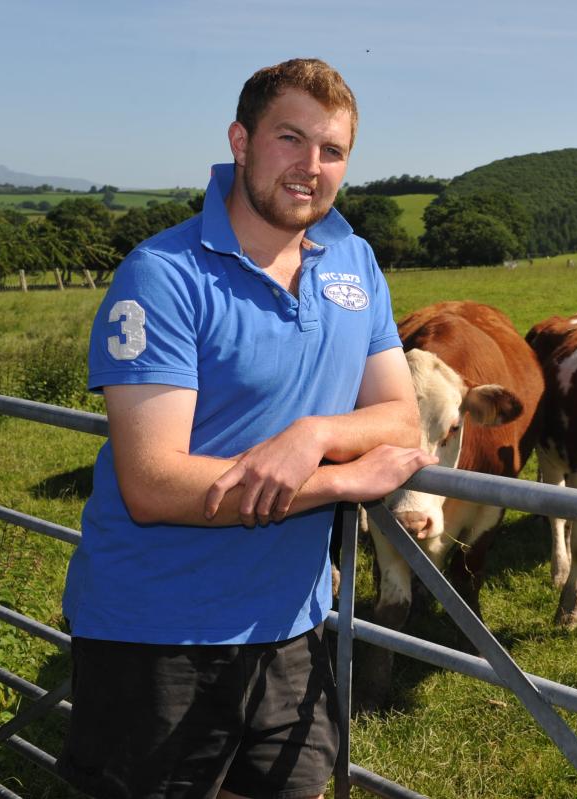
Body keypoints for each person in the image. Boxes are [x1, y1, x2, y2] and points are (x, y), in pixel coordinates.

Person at [58, 58, 435, 799]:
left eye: (332, 150)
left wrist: (312, 433)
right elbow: (152, 483)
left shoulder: (354, 263)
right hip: (156, 632)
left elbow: (401, 416)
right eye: (290, 139)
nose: (311, 167)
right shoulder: (164, 274)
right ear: (241, 140)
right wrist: (334, 480)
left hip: (290, 627)